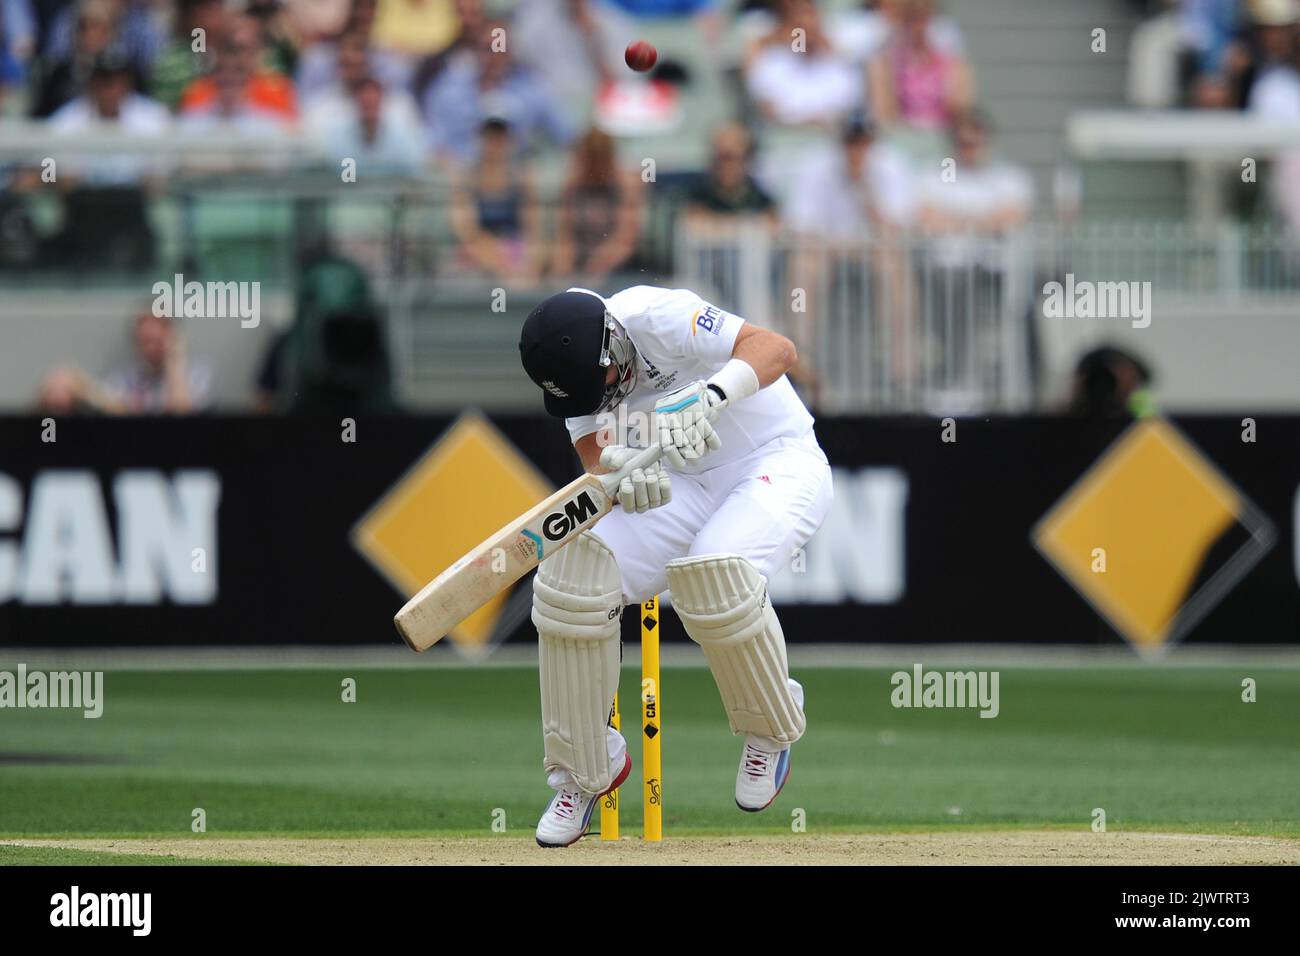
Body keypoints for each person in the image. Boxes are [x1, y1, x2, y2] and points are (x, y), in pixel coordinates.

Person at [517, 285, 832, 847]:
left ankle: (771, 723)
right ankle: (583, 770)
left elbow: (777, 349)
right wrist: (623, 473)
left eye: (604, 382)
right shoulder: (578, 383)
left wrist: (710, 396)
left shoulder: (651, 314)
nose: (602, 398)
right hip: (680, 484)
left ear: (613, 343)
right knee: (572, 576)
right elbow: (598, 461)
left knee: (716, 572)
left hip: (776, 459)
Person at [448, 116, 544, 283]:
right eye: (489, 136)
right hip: (479, 257)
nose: (494, 143)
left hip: (516, 254)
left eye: (499, 136)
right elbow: (468, 232)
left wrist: (528, 263)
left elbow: (533, 229)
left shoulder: (522, 179)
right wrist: (500, 264)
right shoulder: (466, 179)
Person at [550, 128, 643, 283]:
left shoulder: (626, 185)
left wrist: (594, 271)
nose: (596, 167)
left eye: (600, 160)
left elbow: (625, 240)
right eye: (591, 160)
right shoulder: (573, 184)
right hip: (581, 260)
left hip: (619, 267)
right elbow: (564, 237)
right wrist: (561, 272)